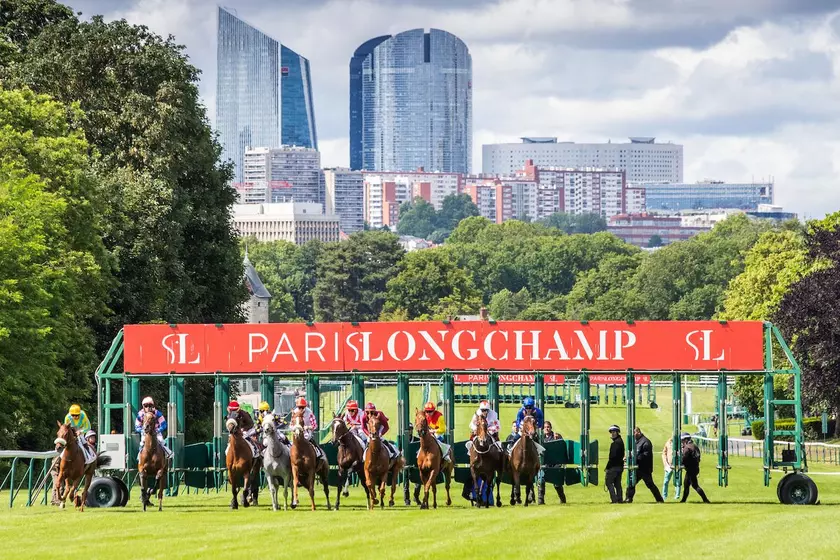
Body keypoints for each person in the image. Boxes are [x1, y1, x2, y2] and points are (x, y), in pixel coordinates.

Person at [625, 427, 664, 503]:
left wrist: (633, 458)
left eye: (634, 433)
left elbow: (645, 456)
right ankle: (628, 499)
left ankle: (659, 499)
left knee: (650, 484)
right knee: (631, 483)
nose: (632, 435)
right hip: (637, 468)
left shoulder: (646, 442)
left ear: (638, 432)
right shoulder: (636, 442)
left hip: (645, 469)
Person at [538, 421, 567, 505]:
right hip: (545, 464)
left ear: (551, 428)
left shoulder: (556, 436)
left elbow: (562, 446)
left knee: (557, 484)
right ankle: (541, 501)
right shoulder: (541, 438)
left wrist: (559, 438)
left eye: (548, 427)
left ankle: (562, 499)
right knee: (541, 480)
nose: (547, 429)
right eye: (545, 427)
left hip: (555, 464)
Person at [680, 432, 710, 503]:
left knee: (694, 486)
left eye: (682, 440)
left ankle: (705, 500)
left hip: (690, 469)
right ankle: (683, 500)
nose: (682, 442)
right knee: (687, 485)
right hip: (695, 468)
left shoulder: (687, 448)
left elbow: (684, 458)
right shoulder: (695, 446)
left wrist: (681, 462)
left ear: (686, 440)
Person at [605, 425, 624, 504]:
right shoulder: (621, 441)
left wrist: (607, 467)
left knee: (609, 482)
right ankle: (620, 499)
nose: (612, 434)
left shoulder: (615, 444)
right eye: (612, 432)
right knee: (617, 483)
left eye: (614, 432)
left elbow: (612, 457)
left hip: (614, 467)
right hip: (620, 466)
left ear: (617, 432)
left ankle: (614, 499)